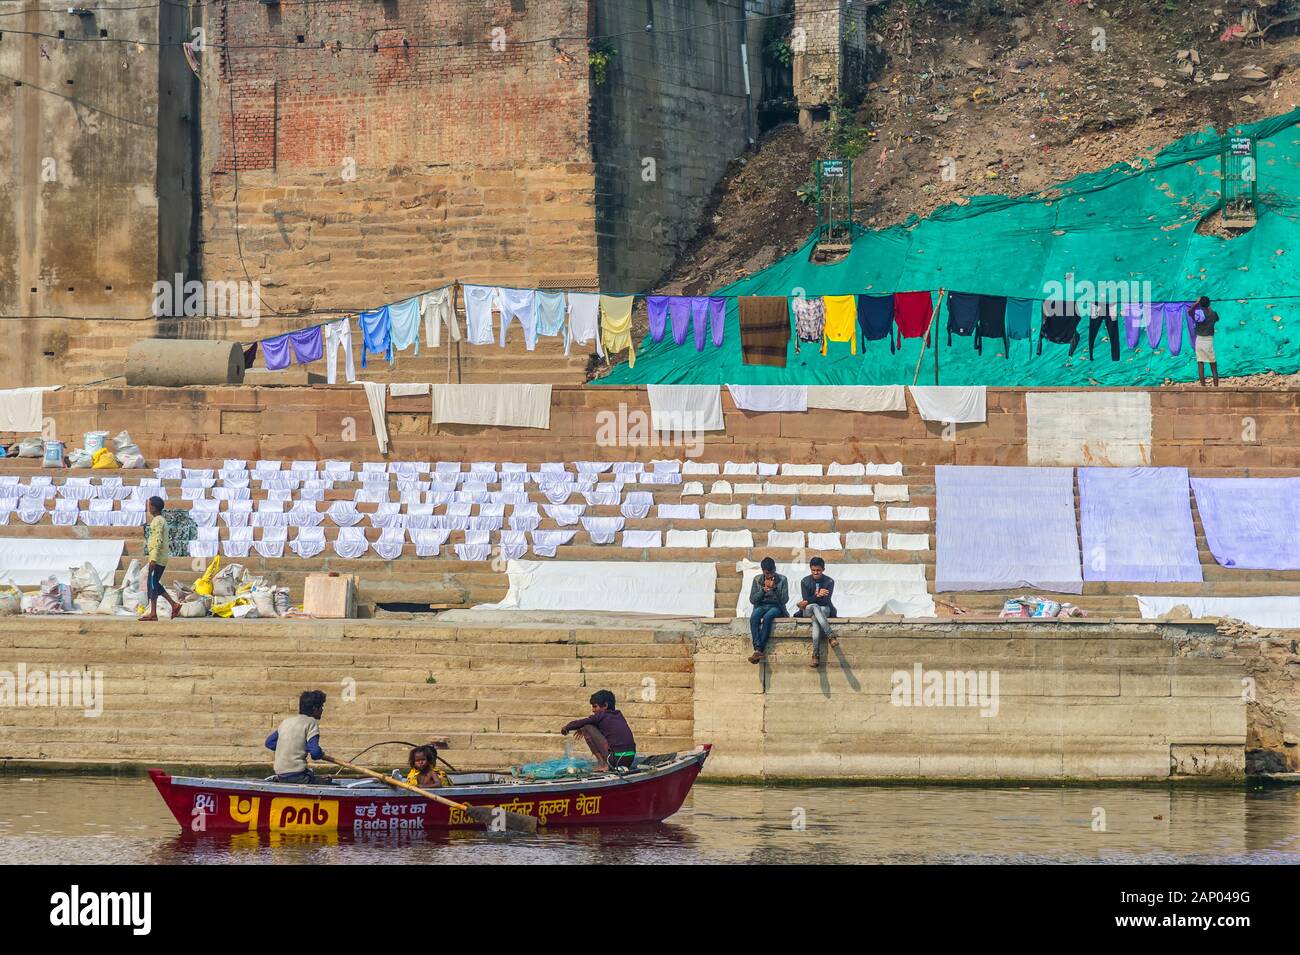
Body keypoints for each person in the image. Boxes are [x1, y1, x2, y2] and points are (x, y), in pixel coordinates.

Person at [560, 689, 636, 771]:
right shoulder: (618, 715)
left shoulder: (602, 716)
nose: (593, 710)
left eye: (595, 706)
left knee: (586, 727)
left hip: (615, 760)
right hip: (629, 760)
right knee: (587, 727)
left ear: (605, 706)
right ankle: (605, 763)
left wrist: (566, 728)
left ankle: (603, 764)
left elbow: (582, 722)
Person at [264, 690, 327, 784]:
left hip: (281, 775)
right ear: (314, 708)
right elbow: (315, 753)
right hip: (297, 775)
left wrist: (293, 746)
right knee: (327, 782)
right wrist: (320, 753)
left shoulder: (286, 722)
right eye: (321, 707)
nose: (322, 710)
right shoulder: (311, 722)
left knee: (311, 774)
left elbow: (269, 743)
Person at [139, 495, 181, 622]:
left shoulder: (157, 521)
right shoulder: (161, 520)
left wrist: (153, 559)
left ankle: (153, 613)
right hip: (160, 558)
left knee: (151, 584)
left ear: (154, 507)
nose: (148, 508)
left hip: (157, 558)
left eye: (149, 505)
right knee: (154, 583)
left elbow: (157, 540)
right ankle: (174, 605)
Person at [795, 557, 838, 667]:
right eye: (813, 570)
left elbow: (826, 601)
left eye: (818, 570)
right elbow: (806, 602)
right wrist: (818, 595)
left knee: (816, 619)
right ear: (810, 569)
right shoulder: (805, 581)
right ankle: (830, 636)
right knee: (814, 606)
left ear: (823, 569)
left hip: (825, 609)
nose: (815, 573)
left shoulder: (829, 581)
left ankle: (815, 655)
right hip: (808, 610)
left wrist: (812, 598)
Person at [748, 556, 789, 664]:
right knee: (754, 618)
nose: (770, 576)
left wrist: (774, 588)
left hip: (776, 606)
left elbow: (784, 600)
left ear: (775, 569)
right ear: (763, 572)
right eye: (767, 573)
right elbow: (752, 599)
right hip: (761, 606)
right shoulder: (757, 580)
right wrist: (762, 591)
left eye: (772, 573)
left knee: (768, 617)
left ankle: (758, 650)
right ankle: (758, 649)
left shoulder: (783, 580)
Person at [1191, 296, 1219, 387]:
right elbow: (1217, 319)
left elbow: (1190, 311)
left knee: (1200, 363)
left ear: (1200, 304)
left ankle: (1203, 386)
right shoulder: (1213, 314)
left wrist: (1196, 303)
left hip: (1199, 340)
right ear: (1209, 304)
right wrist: (1209, 309)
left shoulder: (1198, 314)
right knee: (1213, 365)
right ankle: (1216, 387)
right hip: (1209, 341)